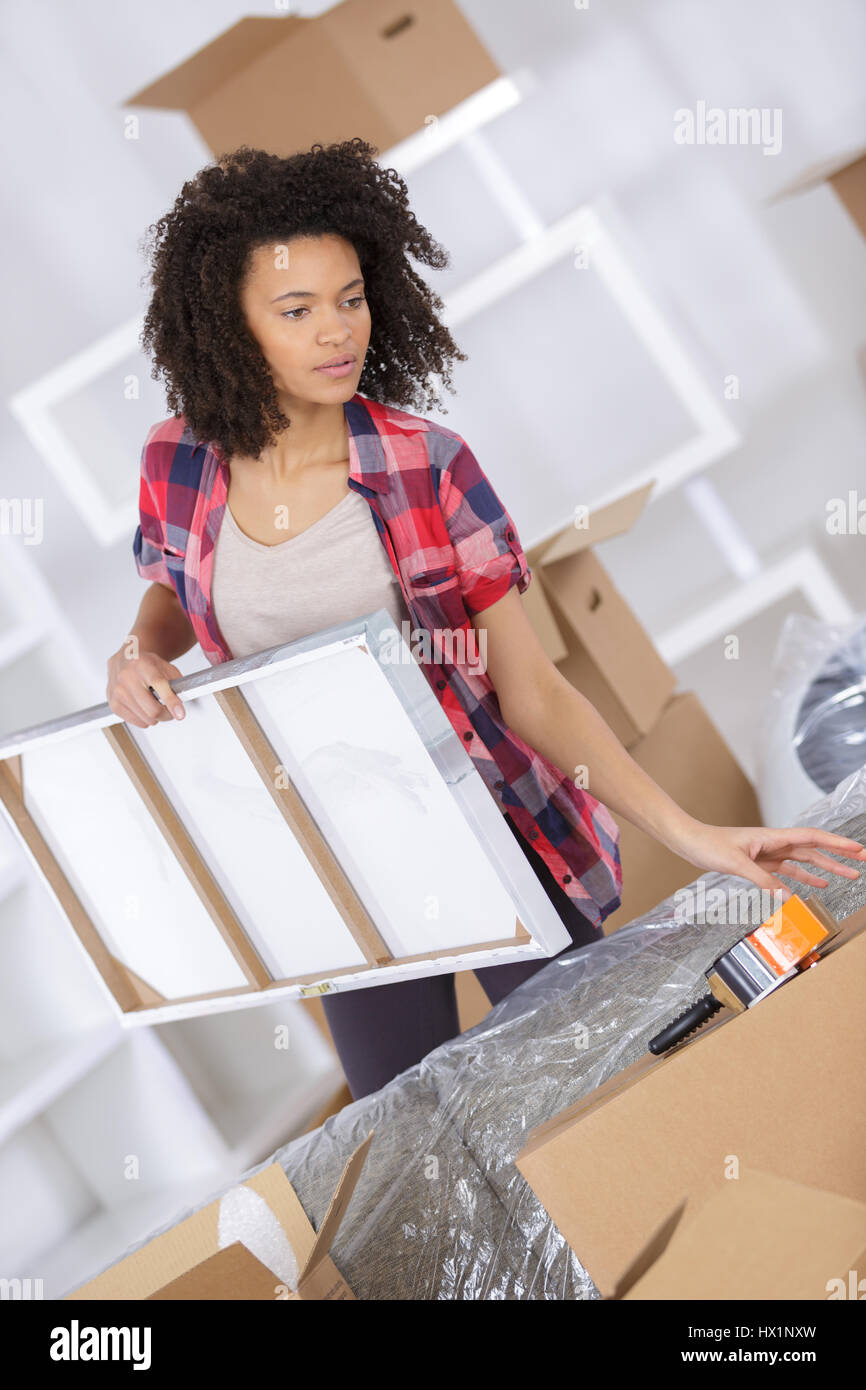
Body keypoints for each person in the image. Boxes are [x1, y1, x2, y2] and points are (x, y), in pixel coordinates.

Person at [107, 139, 865, 1101]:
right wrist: (137, 652)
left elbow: (533, 689)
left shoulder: (427, 463)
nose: (338, 331)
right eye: (297, 310)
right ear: (230, 324)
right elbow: (173, 588)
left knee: (597, 1095)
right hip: (341, 860)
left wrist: (696, 834)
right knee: (410, 1126)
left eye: (351, 297)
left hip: (490, 826)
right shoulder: (177, 460)